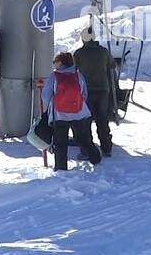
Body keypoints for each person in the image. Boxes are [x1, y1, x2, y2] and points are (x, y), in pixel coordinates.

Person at [41, 52, 102, 171]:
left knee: (60, 143)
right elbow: (84, 94)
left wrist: (46, 110)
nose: (54, 64)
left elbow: (45, 95)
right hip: (79, 113)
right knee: (83, 139)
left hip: (60, 115)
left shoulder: (54, 76)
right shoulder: (78, 75)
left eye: (56, 61)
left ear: (61, 62)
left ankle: (61, 168)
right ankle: (95, 158)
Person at [73, 27, 117, 156]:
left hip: (86, 91)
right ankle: (106, 147)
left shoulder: (79, 53)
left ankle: (87, 149)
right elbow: (112, 65)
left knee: (85, 121)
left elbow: (74, 69)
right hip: (103, 89)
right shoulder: (104, 52)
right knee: (102, 119)